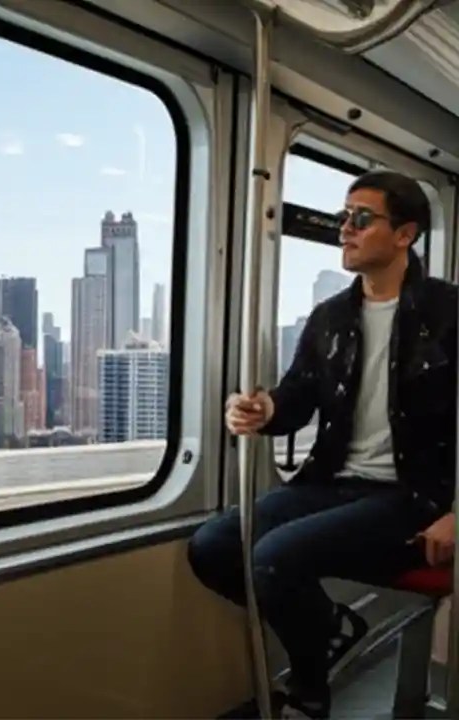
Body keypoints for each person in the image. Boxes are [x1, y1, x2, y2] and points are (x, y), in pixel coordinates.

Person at [187, 170, 458, 719]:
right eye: (342, 218)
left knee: (274, 557)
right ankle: (332, 629)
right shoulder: (330, 317)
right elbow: (297, 399)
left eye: (362, 218)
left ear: (404, 234)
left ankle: (311, 684)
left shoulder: (450, 313)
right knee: (213, 546)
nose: (345, 230)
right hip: (332, 482)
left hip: (413, 493)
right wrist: (264, 410)